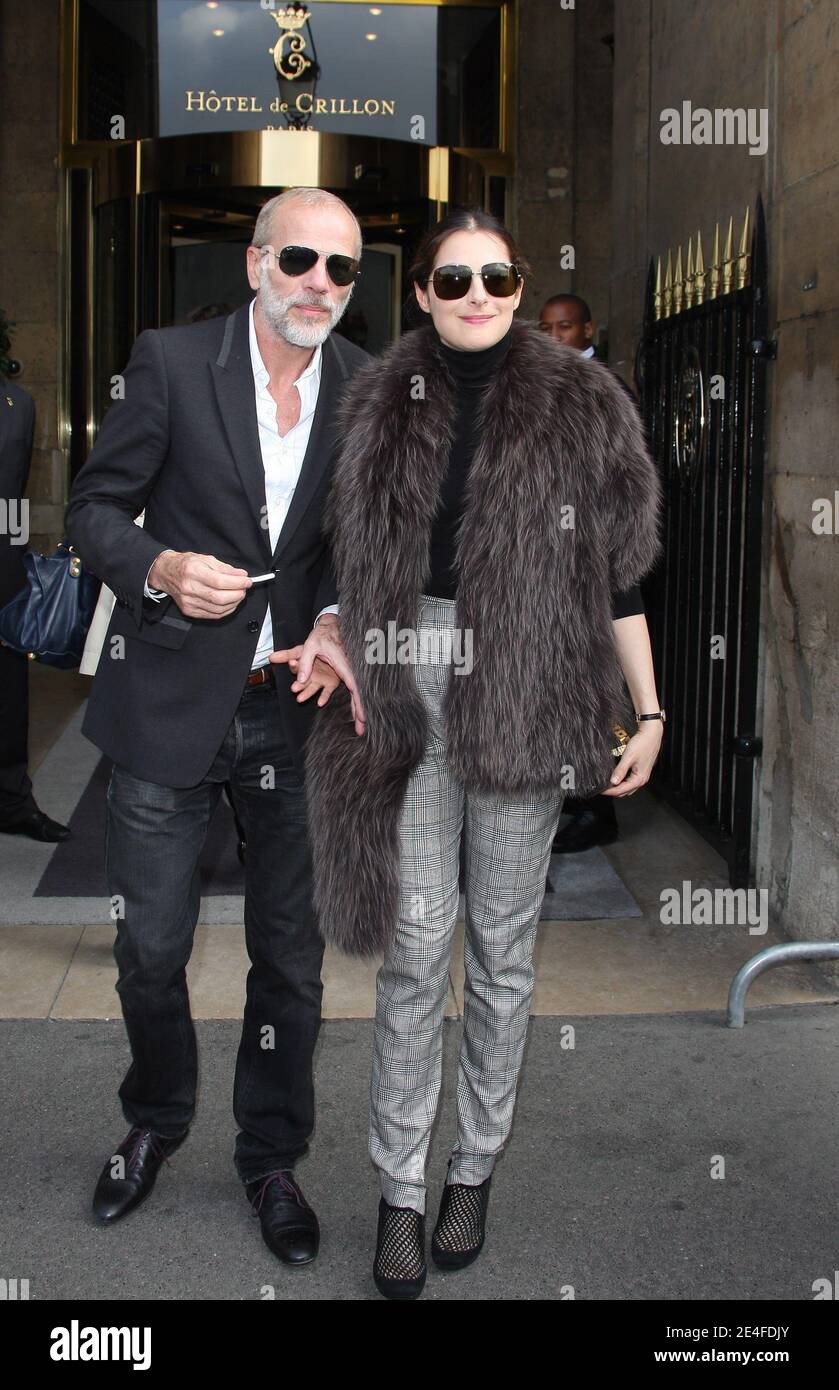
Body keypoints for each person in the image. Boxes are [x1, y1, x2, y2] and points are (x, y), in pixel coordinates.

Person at [299, 208, 666, 1298]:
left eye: (493, 277)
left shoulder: (580, 398)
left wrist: (645, 713)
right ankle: (399, 1187)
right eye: (449, 278)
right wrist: (334, 631)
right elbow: (331, 550)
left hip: (526, 682)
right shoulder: (372, 398)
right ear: (418, 292)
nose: (473, 294)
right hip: (406, 672)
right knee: (418, 943)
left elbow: (619, 573)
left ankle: (473, 1167)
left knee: (501, 949)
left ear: (518, 287)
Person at [64, 187, 367, 1266]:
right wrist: (156, 567)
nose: (317, 286)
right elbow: (90, 506)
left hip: (293, 711)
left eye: (340, 269)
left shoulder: (366, 388)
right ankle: (152, 1120)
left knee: (288, 962)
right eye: (298, 260)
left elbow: (359, 546)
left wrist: (333, 617)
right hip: (166, 705)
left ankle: (271, 1155)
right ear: (252, 264)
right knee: (151, 949)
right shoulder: (170, 361)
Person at [539, 291, 647, 853]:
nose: (554, 337)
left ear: (588, 329)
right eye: (546, 328)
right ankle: (580, 801)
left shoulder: (606, 388)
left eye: (565, 328)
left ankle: (594, 807)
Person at [0, 376, 70, 842]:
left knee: (8, 692)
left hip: (4, 568)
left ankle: (11, 801)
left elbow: (14, 493)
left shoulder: (18, 401)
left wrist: (18, 554)